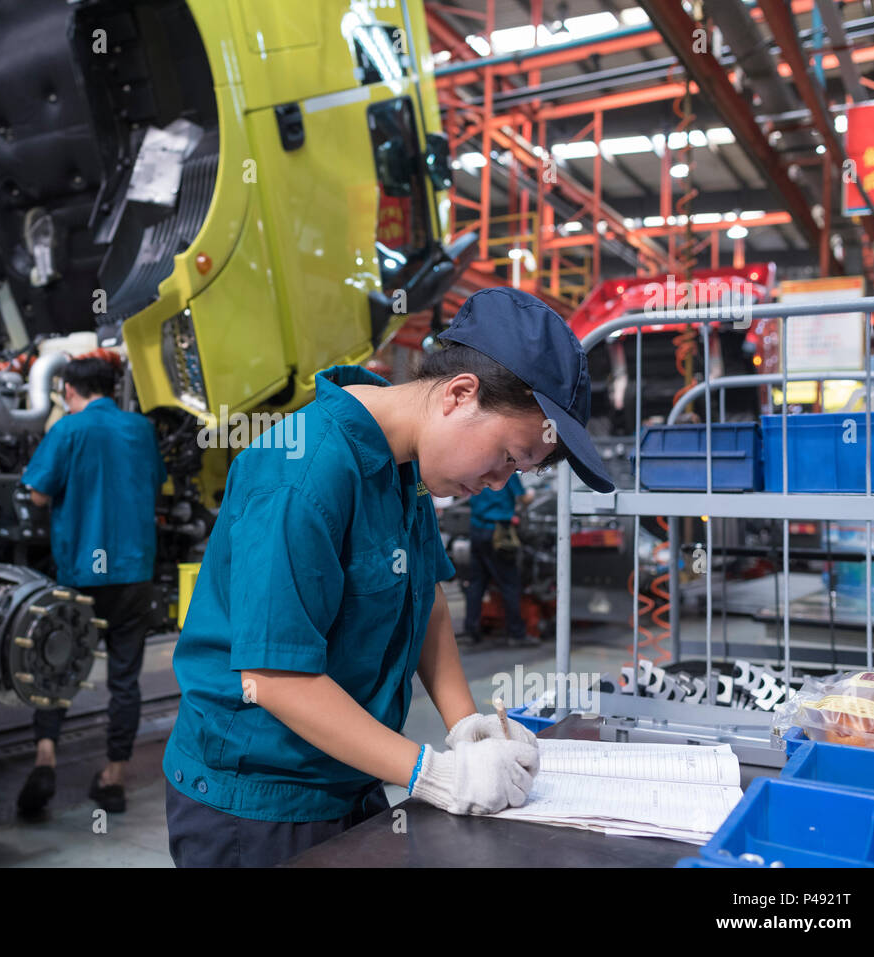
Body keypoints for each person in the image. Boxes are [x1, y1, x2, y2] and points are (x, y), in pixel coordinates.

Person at [162, 287, 616, 867]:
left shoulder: (407, 470)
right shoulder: (303, 470)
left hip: (350, 776)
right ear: (459, 394)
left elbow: (425, 601)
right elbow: (274, 678)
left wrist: (467, 728)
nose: (501, 482)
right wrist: (432, 773)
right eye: (508, 455)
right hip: (257, 802)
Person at [16, 354, 167, 816]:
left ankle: (46, 758)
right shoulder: (140, 430)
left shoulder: (68, 428)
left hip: (81, 572)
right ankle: (115, 776)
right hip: (133, 571)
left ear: (67, 391)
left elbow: (38, 493)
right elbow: (156, 484)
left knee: (56, 664)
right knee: (125, 678)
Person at [460, 474, 537, 647]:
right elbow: (523, 498)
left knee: (476, 584)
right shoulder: (507, 470)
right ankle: (516, 634)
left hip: (476, 528)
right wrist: (532, 495)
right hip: (498, 533)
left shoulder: (479, 466)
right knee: (510, 584)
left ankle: (471, 631)